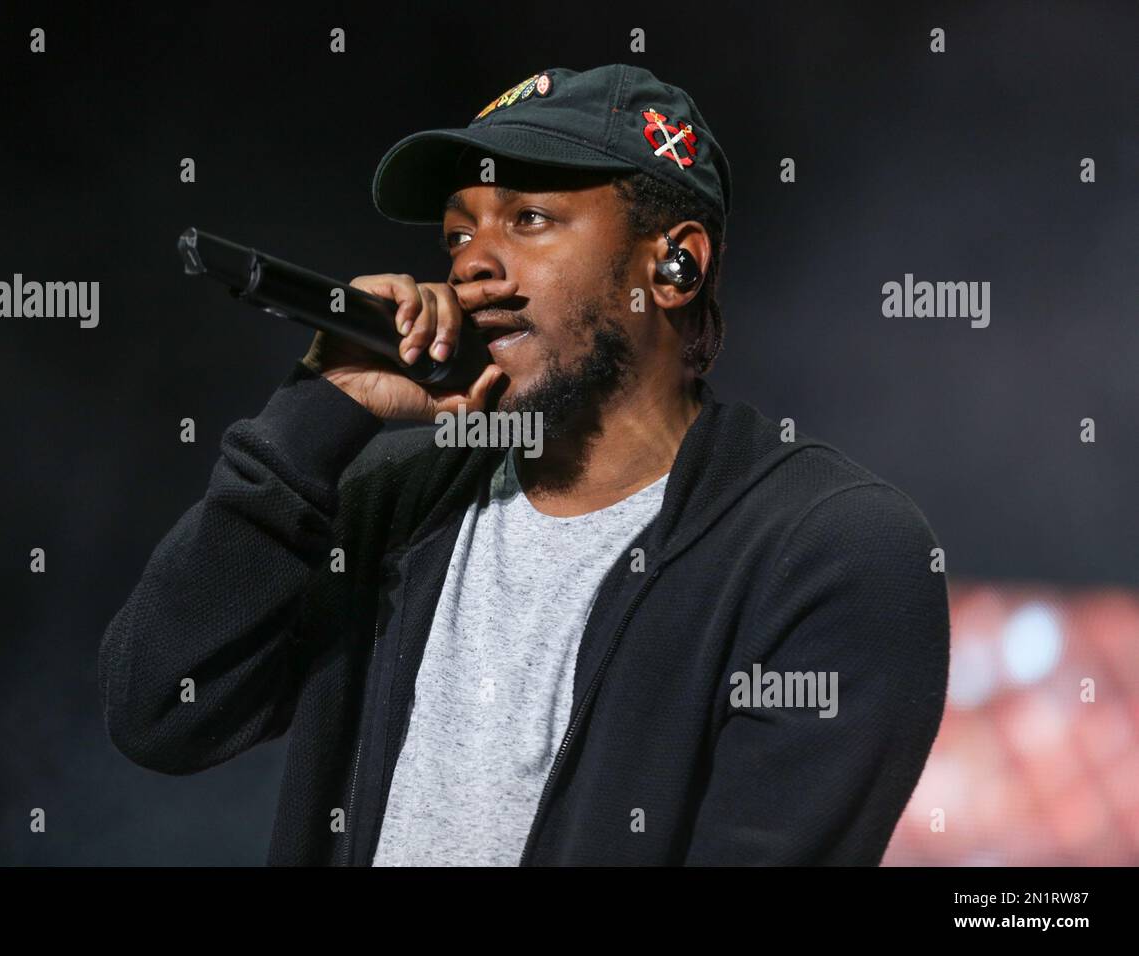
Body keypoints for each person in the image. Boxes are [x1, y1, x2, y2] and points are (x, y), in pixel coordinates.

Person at [98, 64, 950, 866]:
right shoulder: (393, 505)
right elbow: (161, 712)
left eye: (527, 218)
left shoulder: (832, 551)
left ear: (674, 262)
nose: (470, 260)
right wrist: (319, 411)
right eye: (459, 232)